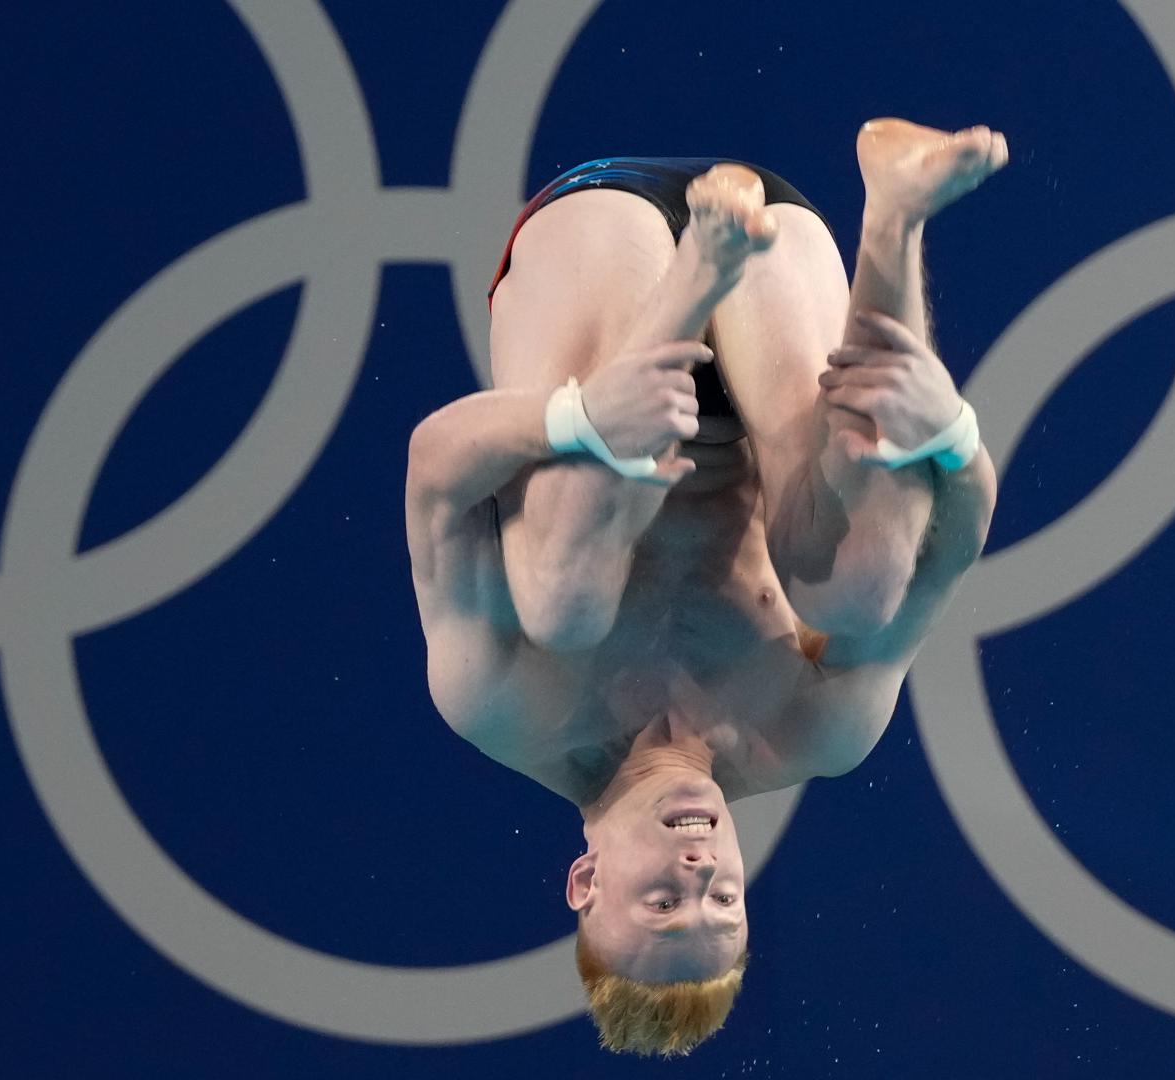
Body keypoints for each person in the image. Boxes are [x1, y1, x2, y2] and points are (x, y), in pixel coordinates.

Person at [404, 118, 1006, 1055]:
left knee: (561, 606)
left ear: (584, 882)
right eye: (723, 898)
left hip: (601, 255)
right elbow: (953, 542)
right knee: (857, 594)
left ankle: (688, 282)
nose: (699, 867)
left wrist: (574, 416)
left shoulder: (498, 705)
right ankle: (893, 218)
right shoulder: (818, 733)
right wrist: (953, 431)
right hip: (778, 269)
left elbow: (436, 468)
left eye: (663, 898)